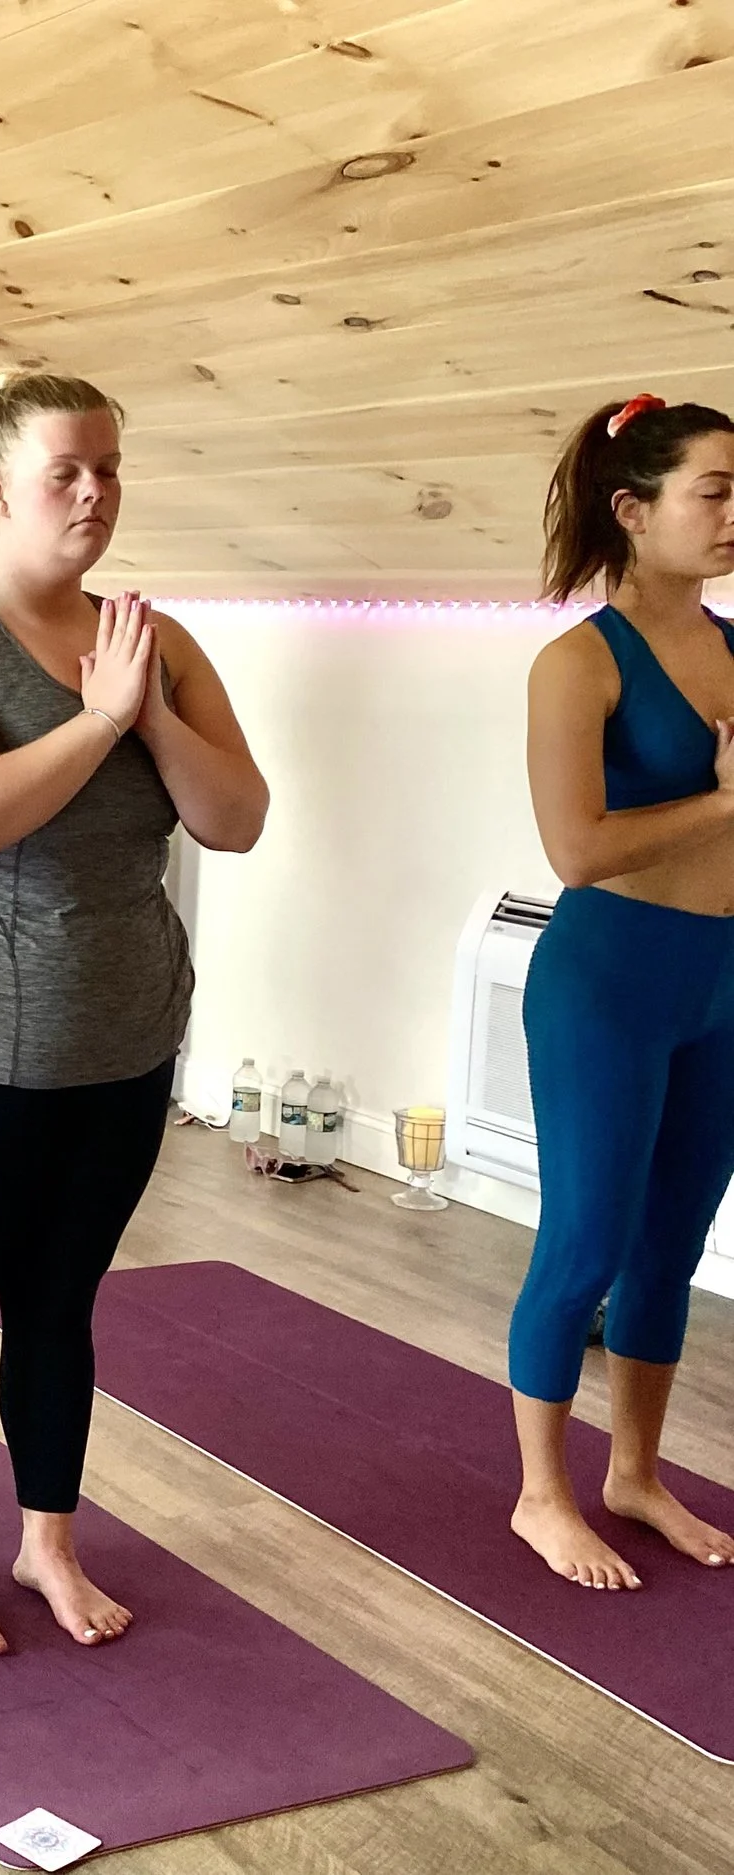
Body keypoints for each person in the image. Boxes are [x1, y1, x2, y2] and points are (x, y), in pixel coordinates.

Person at [0, 367, 265, 1655]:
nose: (94, 493)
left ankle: (46, 1542)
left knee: (58, 1306)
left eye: (108, 469)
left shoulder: (154, 640)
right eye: (64, 473)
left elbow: (236, 818)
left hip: (121, 1044)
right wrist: (94, 724)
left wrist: (144, 712)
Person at [507, 393, 734, 1589]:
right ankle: (541, 1496)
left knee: (672, 1246)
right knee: (585, 1240)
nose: (732, 513)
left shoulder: (733, 644)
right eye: (714, 490)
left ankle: (634, 1475)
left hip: (723, 981)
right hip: (608, 980)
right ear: (633, 510)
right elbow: (577, 852)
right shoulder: (576, 662)